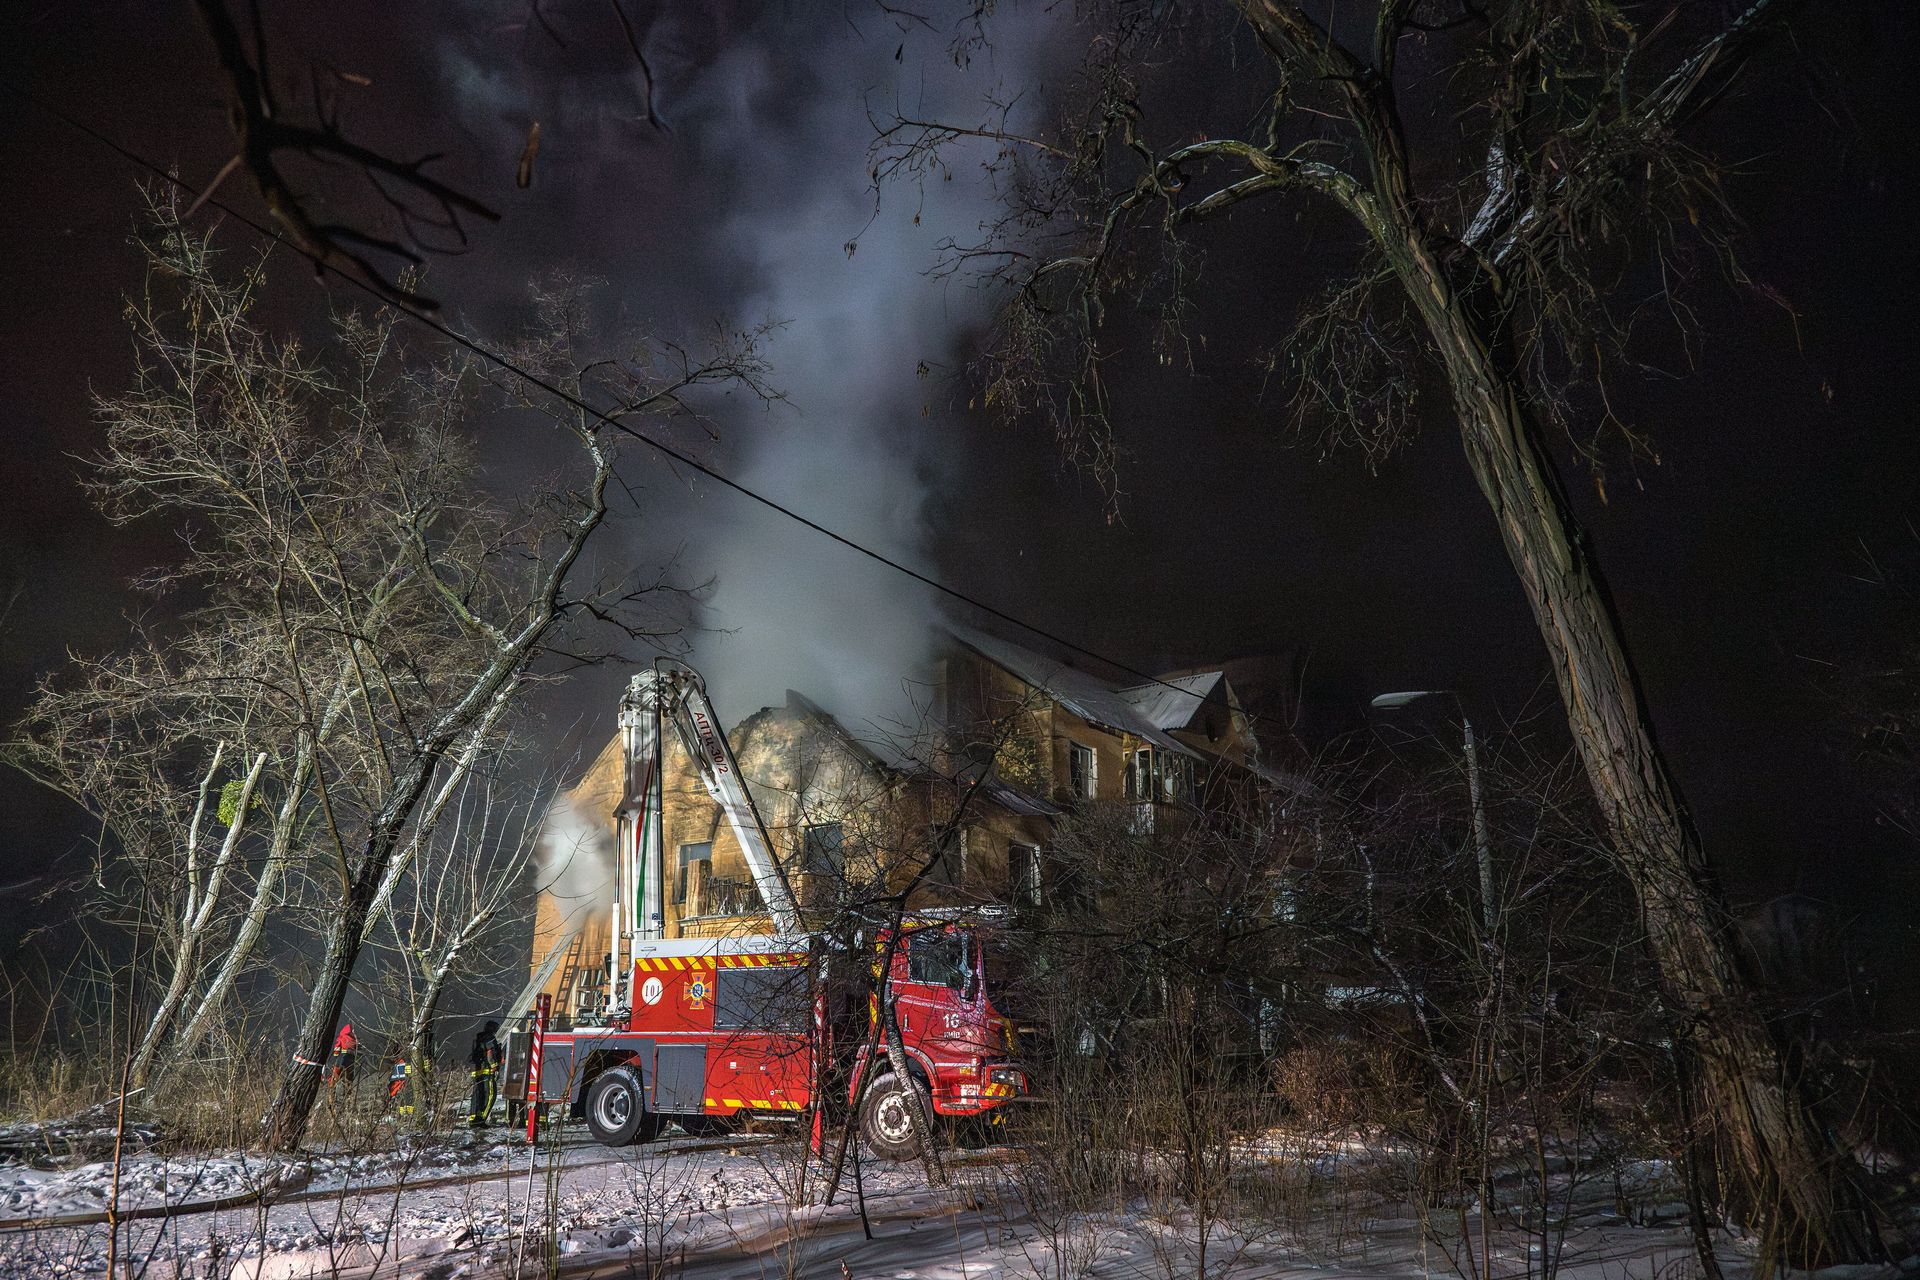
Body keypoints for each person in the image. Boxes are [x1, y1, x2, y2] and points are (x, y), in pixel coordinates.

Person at [467, 1020, 502, 1126]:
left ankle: (474, 1117)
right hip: (487, 1071)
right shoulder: (490, 1038)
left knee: (478, 1094)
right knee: (491, 1095)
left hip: (477, 1071)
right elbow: (490, 1052)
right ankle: (482, 1119)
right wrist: (494, 1066)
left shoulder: (478, 1038)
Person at [324, 1022, 358, 1088]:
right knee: (349, 1076)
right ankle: (348, 1089)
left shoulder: (342, 1037)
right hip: (351, 1058)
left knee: (336, 1072)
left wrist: (335, 1056)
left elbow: (337, 1047)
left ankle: (331, 1086)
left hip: (342, 1057)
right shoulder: (354, 1038)